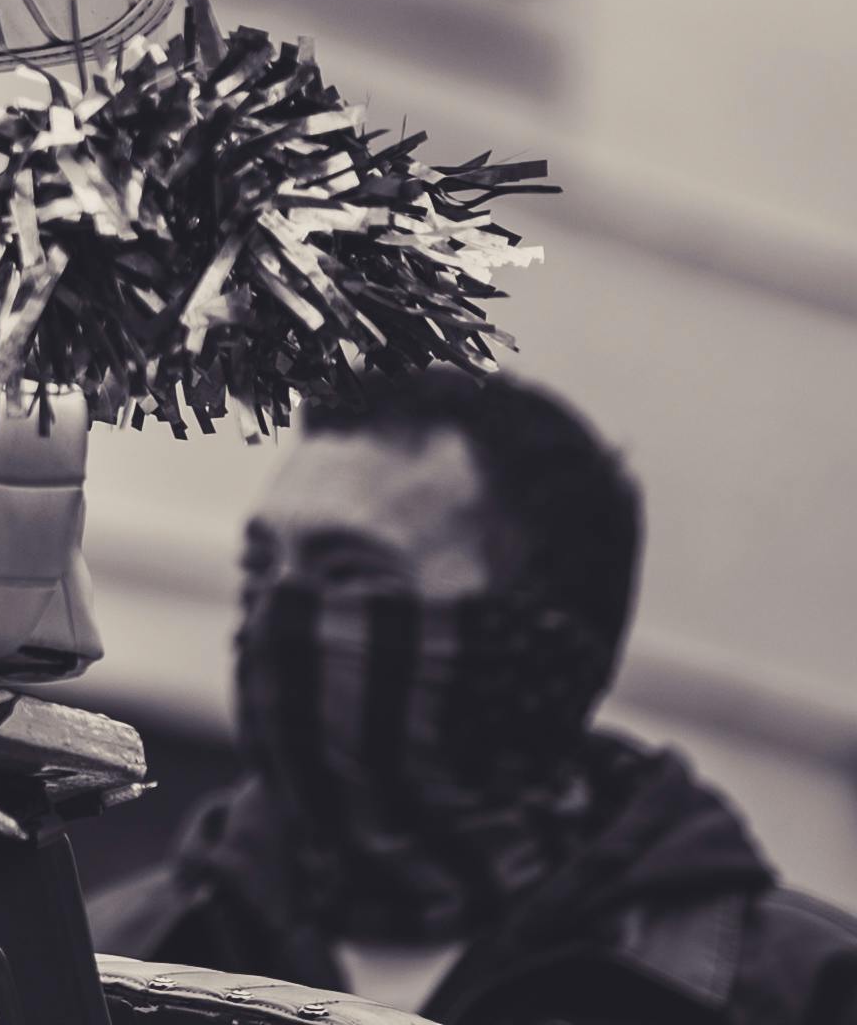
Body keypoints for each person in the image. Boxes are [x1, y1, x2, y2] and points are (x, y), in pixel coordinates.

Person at [97, 369, 857, 1021]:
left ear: (537, 648)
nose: (279, 617)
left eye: (354, 574)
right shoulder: (118, 960)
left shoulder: (795, 993)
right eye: (261, 571)